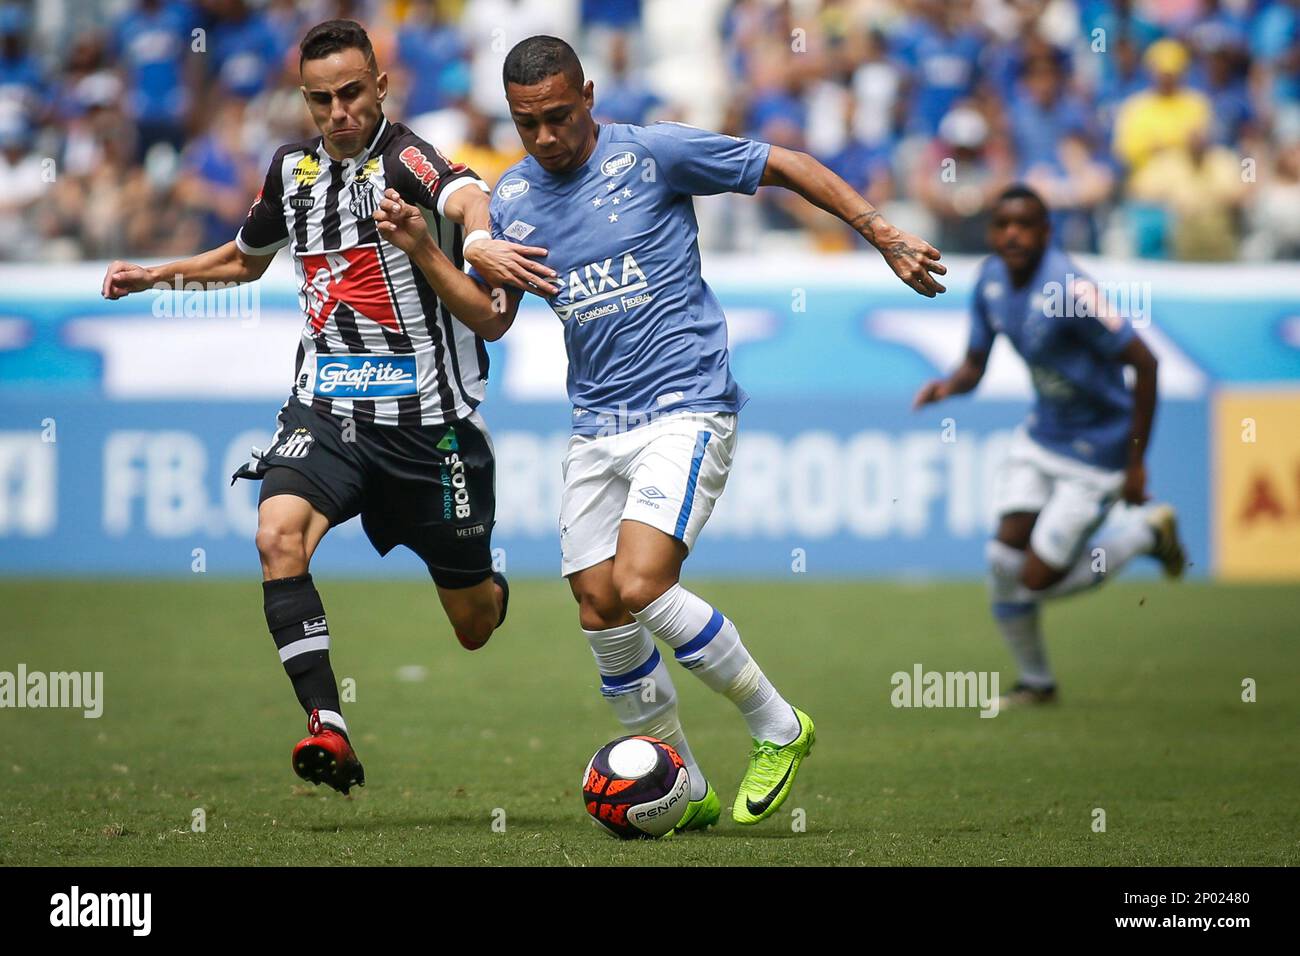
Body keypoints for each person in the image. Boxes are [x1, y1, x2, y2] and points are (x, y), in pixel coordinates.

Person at [373, 35, 946, 828]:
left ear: (591, 95)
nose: (545, 137)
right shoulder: (510, 201)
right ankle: (686, 784)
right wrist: (422, 254)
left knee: (642, 584)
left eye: (559, 116)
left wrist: (879, 231)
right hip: (595, 422)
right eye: (527, 122)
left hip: (686, 404)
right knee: (598, 605)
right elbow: (494, 321)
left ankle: (779, 726)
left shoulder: (655, 156)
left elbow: (782, 163)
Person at [100, 19, 554, 795]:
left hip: (429, 432)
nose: (339, 111)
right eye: (321, 100)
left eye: (351, 93)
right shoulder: (292, 170)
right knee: (277, 535)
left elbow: (470, 195)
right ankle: (327, 724)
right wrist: (157, 276)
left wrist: (473, 243)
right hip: (327, 411)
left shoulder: (408, 159)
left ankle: (486, 585)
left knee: (474, 625)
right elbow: (243, 262)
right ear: (305, 101)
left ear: (380, 85)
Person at [914, 185, 1186, 708]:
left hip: (1098, 449)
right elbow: (976, 364)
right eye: (1002, 225)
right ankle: (1037, 684)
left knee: (1034, 580)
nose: (1011, 235)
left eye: (1025, 225)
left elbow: (1146, 364)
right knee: (1001, 560)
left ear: (1046, 232)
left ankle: (1142, 536)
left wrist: (1136, 462)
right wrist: (947, 386)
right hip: (1042, 435)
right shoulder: (990, 280)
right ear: (992, 231)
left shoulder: (1070, 289)